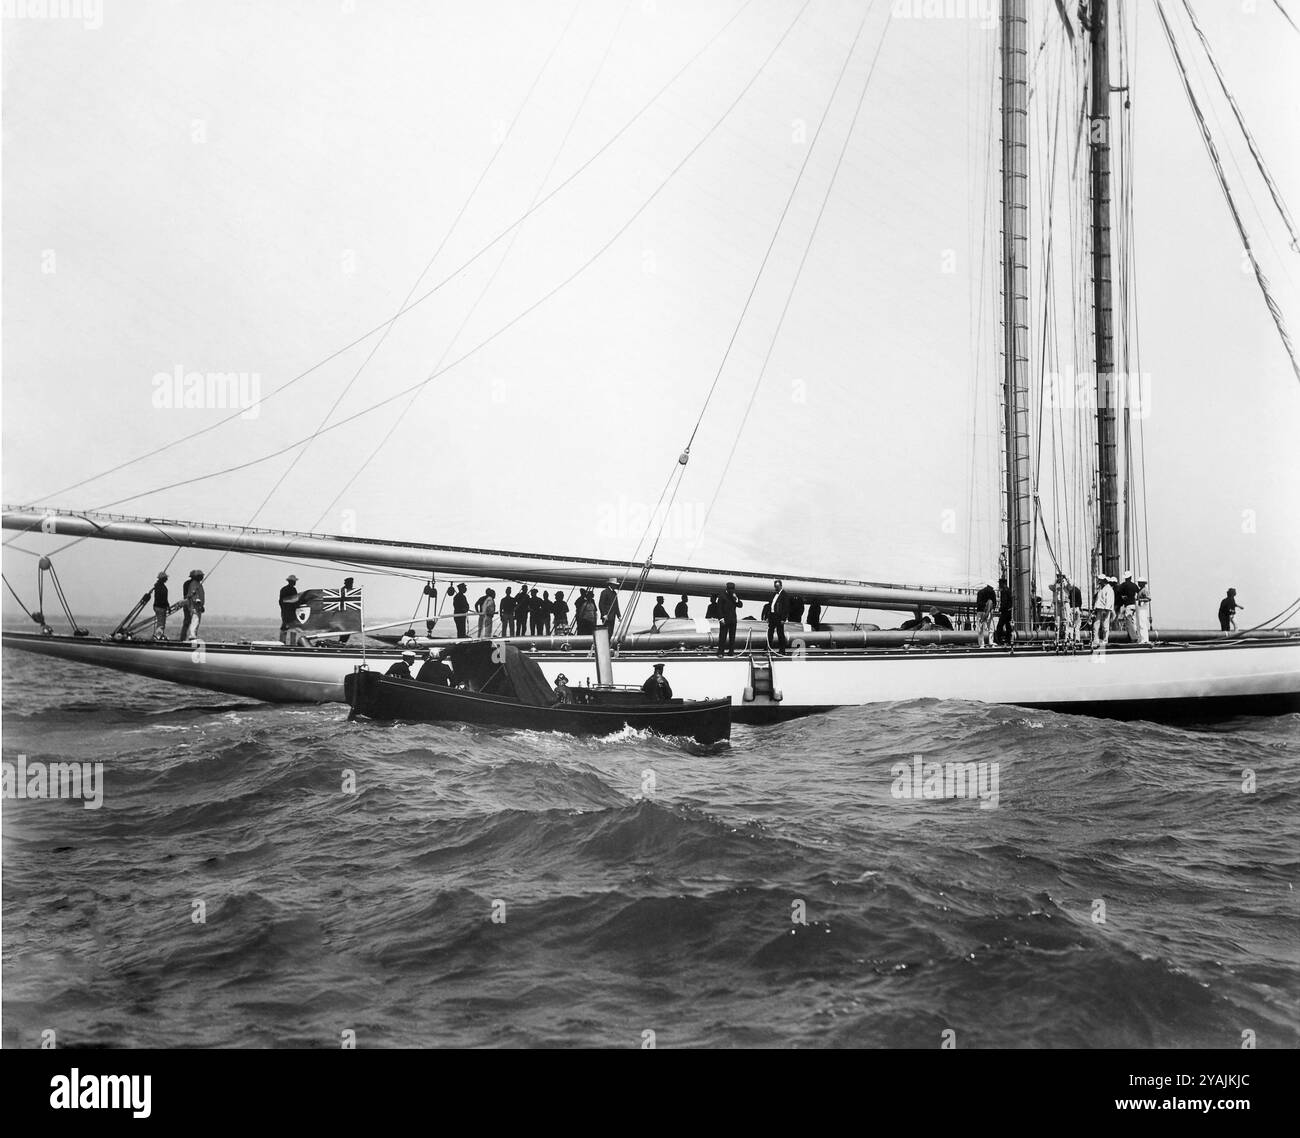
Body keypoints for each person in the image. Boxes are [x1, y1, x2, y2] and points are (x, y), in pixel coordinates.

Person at [716, 581, 742, 657]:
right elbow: (719, 608)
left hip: (733, 619)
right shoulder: (722, 595)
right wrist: (721, 618)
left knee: (732, 637)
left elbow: (740, 605)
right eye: (730, 589)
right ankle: (720, 652)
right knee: (722, 636)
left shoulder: (734, 596)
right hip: (724, 619)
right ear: (727, 589)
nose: (732, 591)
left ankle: (731, 651)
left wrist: (736, 599)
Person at [1092, 574, 1115, 651]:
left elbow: (1109, 600)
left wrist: (1106, 609)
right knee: (1096, 625)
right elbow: (1098, 599)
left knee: (1105, 625)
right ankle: (1096, 640)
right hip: (1099, 609)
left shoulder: (1108, 589)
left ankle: (1105, 640)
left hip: (1104, 609)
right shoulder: (1101, 588)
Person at [181, 569, 206, 640]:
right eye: (201, 576)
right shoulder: (194, 584)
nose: (202, 577)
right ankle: (192, 636)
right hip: (194, 606)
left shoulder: (197, 584)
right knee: (195, 620)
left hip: (196, 606)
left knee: (196, 621)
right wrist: (198, 604)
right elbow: (194, 595)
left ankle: (191, 635)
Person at [768, 579, 789, 655]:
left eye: (777, 586)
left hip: (779, 617)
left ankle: (782, 650)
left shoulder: (784, 595)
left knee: (780, 634)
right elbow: (771, 605)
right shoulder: (774, 594)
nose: (776, 588)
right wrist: (768, 616)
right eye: (775, 586)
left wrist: (783, 618)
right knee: (770, 633)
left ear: (780, 586)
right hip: (773, 616)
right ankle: (769, 648)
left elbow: (786, 607)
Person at [1117, 571, 1139, 641]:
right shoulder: (1134, 585)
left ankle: (1133, 637)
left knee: (1128, 620)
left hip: (1128, 605)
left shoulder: (1123, 585)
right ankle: (1136, 634)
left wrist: (1123, 596)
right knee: (1134, 621)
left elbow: (1118, 591)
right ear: (1131, 577)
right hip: (1134, 604)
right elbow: (1138, 593)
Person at [148, 572, 170, 640]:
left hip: (157, 606)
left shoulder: (157, 586)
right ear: (163, 579)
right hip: (161, 607)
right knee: (161, 623)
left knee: (160, 623)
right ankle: (158, 636)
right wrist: (167, 606)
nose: (167, 579)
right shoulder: (162, 587)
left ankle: (159, 635)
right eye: (166, 578)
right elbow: (164, 599)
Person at [278, 574, 300, 644]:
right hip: (290, 612)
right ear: (291, 582)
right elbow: (295, 601)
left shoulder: (283, 589)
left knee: (285, 627)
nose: (295, 582)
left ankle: (282, 642)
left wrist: (284, 609)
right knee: (292, 628)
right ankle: (292, 644)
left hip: (285, 612)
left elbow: (280, 601)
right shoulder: (293, 590)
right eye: (294, 581)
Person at [975, 581, 997, 648]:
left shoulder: (981, 592)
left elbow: (978, 603)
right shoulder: (992, 592)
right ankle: (989, 642)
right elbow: (994, 603)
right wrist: (989, 608)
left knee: (981, 628)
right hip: (986, 612)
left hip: (981, 611)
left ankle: (982, 644)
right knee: (989, 628)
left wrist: (987, 608)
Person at [994, 577, 1014, 646]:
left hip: (1005, 611)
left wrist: (1000, 609)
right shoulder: (1008, 590)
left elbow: (1004, 602)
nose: (999, 585)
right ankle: (1009, 640)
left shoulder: (1004, 591)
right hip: (1008, 611)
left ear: (1002, 583)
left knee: (999, 626)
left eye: (1000, 583)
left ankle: (999, 640)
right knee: (1008, 626)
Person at [1135, 577, 1152, 645]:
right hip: (1140, 607)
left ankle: (1144, 639)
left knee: (1142, 623)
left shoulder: (1145, 590)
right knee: (1139, 623)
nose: (1138, 584)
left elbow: (1149, 598)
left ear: (1143, 583)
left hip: (1143, 607)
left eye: (1139, 582)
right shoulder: (1140, 590)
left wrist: (1141, 600)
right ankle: (1140, 638)